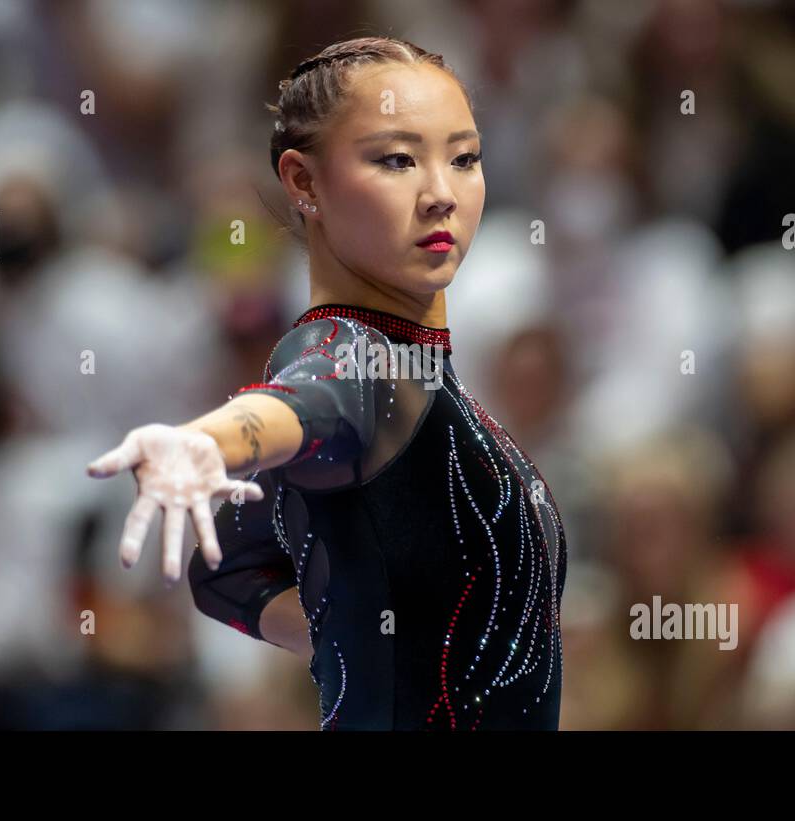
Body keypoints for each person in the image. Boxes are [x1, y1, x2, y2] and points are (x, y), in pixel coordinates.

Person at [86, 37, 567, 730]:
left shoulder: (427, 385)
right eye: (396, 159)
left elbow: (229, 573)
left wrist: (358, 644)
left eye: (463, 158)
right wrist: (208, 442)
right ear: (303, 182)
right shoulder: (358, 359)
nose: (440, 193)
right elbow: (308, 401)